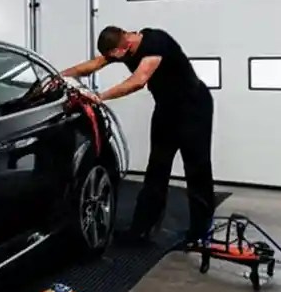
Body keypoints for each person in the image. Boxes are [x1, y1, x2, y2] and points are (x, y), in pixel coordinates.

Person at [61, 26, 215, 245]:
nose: (113, 60)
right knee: (156, 169)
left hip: (194, 108)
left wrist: (99, 96)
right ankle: (141, 229)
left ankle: (200, 233)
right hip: (166, 109)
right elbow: (93, 65)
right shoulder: (123, 45)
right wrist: (59, 76)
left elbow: (138, 80)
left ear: (126, 45)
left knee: (197, 168)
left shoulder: (156, 42)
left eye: (115, 55)